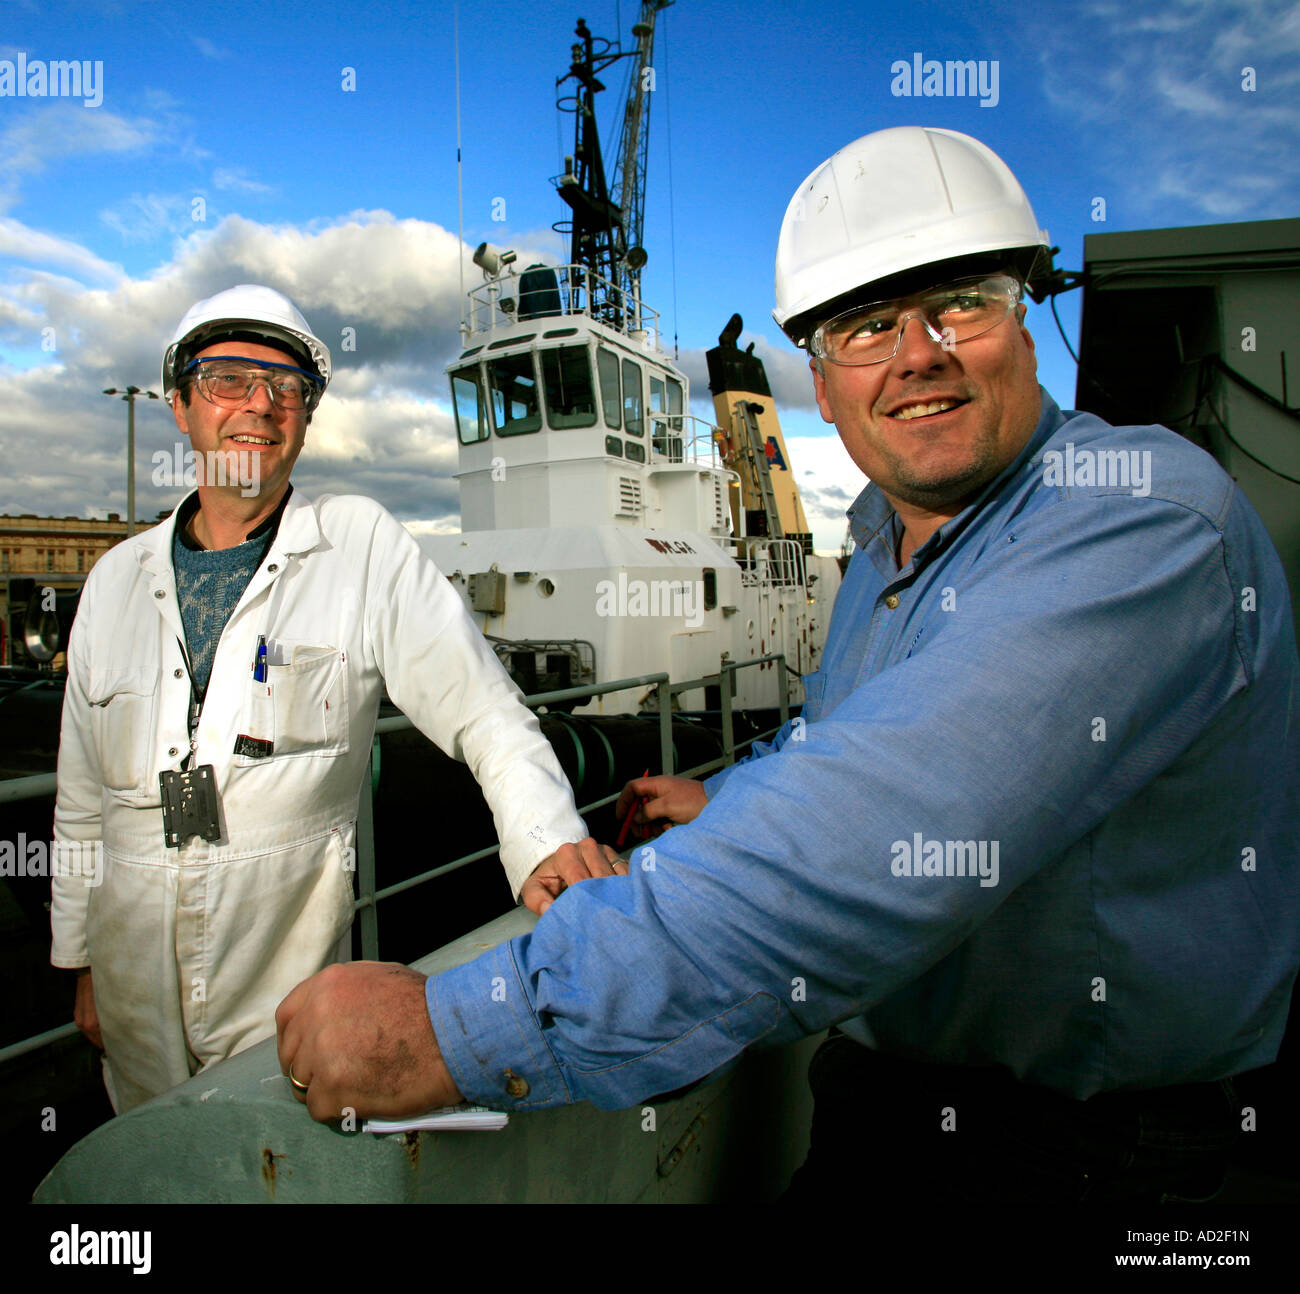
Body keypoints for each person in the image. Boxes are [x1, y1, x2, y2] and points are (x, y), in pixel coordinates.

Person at [276, 129, 1299, 1203]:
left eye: (962, 302)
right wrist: (719, 792)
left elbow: (886, 821)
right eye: (865, 326)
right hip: (878, 1097)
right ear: (816, 374)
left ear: (1027, 313)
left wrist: (457, 1026)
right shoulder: (880, 548)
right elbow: (849, 738)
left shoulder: (1140, 521)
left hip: (1092, 1152)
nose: (917, 354)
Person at [51, 284, 623, 1114]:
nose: (261, 405)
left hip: (284, 1016)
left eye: (287, 389)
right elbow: (80, 801)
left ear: (307, 419)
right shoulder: (111, 585)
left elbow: (481, 708)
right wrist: (81, 968)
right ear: (179, 405)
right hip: (132, 1002)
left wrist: (544, 840)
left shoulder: (357, 548)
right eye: (228, 380)